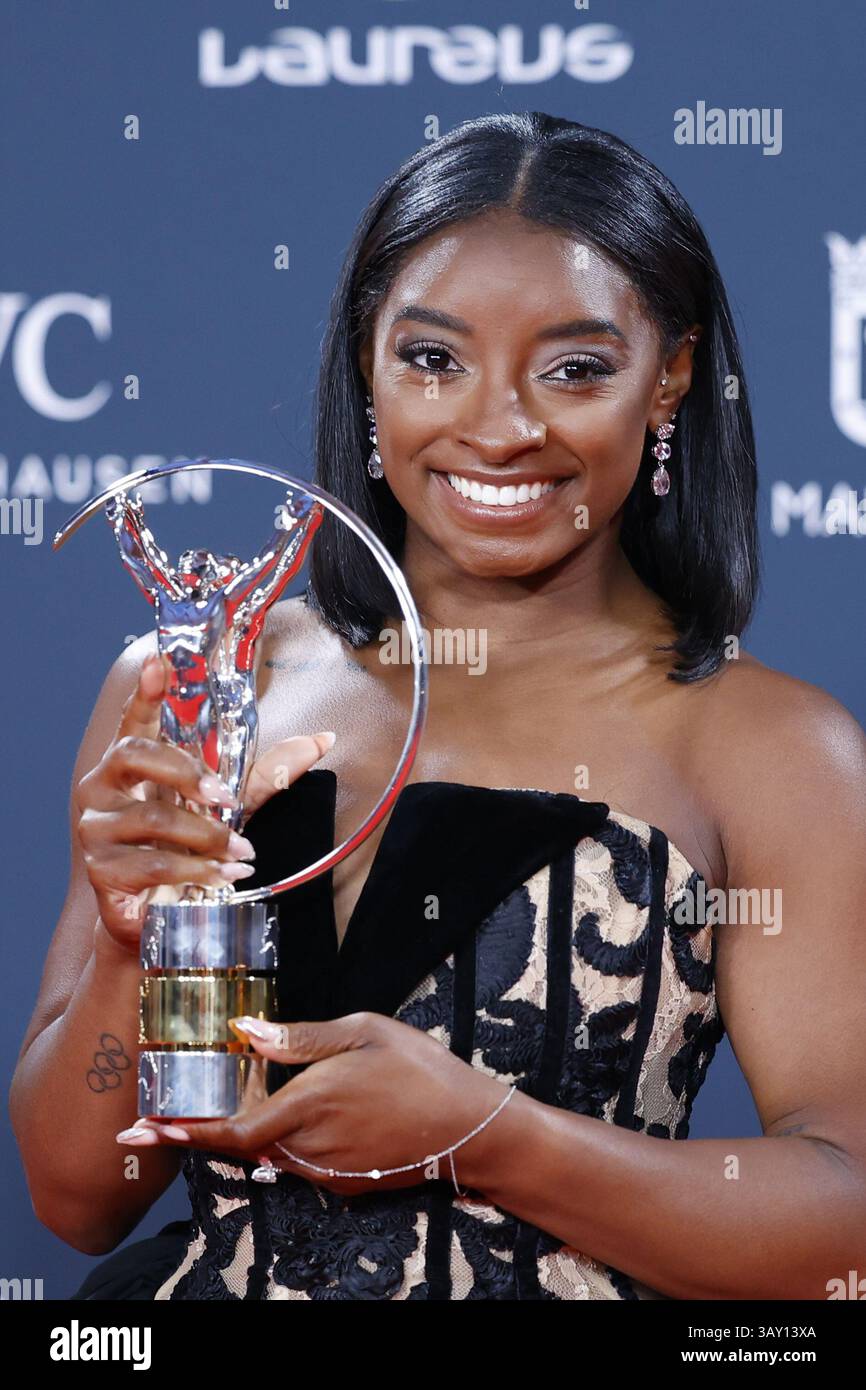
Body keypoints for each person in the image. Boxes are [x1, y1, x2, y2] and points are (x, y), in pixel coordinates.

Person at [11, 111, 866, 1301]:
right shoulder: (197, 682)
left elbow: (847, 1229)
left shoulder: (771, 749)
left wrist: (494, 1137)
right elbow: (74, 1197)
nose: (499, 426)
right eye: (432, 358)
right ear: (366, 360)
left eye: (573, 367)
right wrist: (125, 938)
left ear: (667, 376)